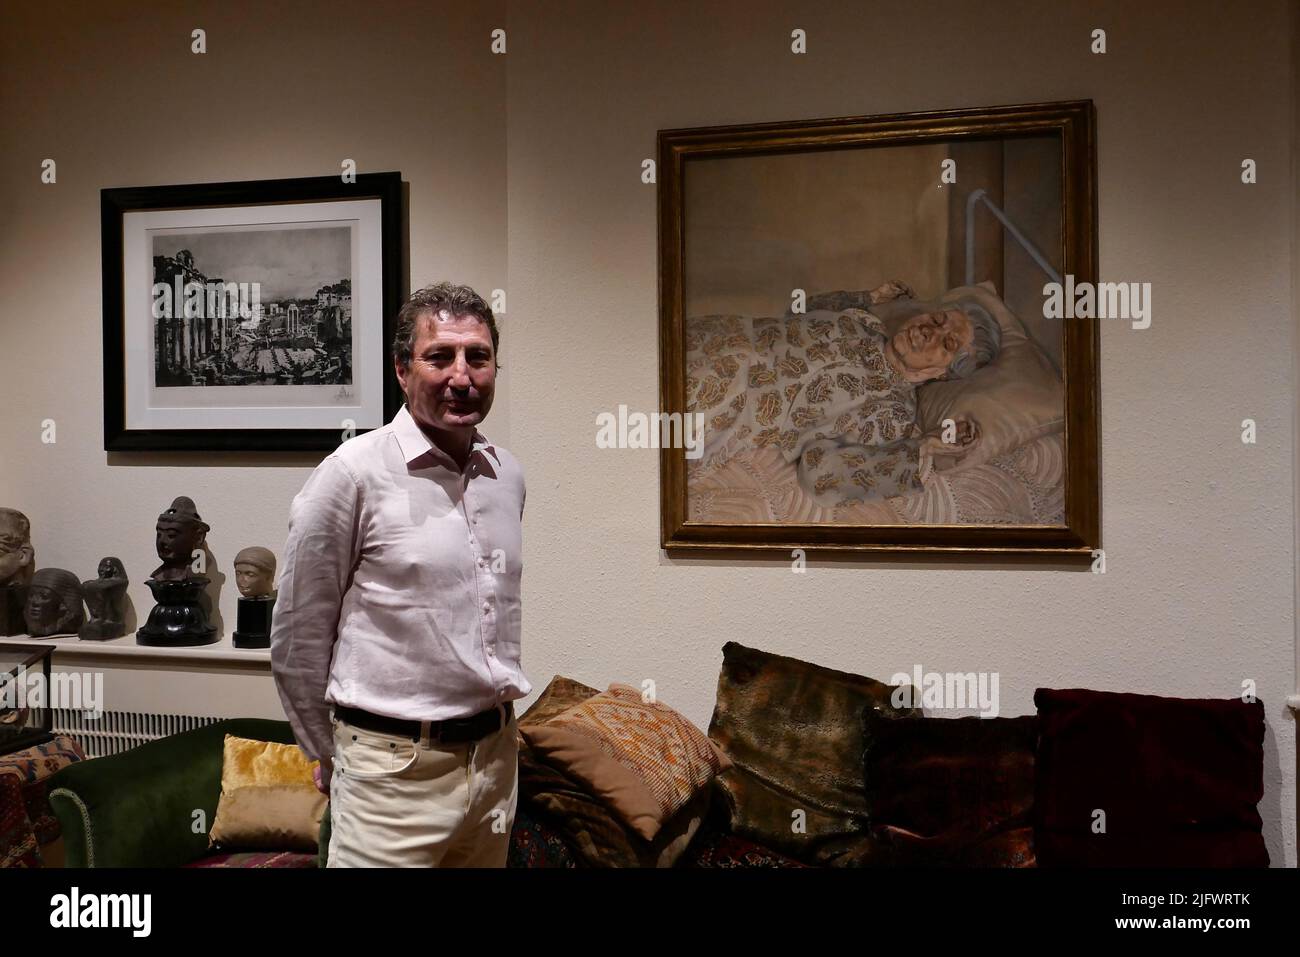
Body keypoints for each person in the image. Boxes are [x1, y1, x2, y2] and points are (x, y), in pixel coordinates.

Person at [270, 281, 529, 867]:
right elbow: (297, 637)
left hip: (494, 764)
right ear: (401, 369)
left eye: (478, 357)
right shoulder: (351, 475)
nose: (461, 376)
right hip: (390, 774)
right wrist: (333, 754)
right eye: (439, 356)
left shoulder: (506, 475)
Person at [685, 284, 1001, 506]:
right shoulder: (865, 321)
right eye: (936, 320)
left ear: (944, 373)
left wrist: (925, 447)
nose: (929, 331)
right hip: (713, 334)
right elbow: (797, 311)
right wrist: (868, 296)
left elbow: (820, 474)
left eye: (946, 344)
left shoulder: (892, 412)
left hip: (721, 397)